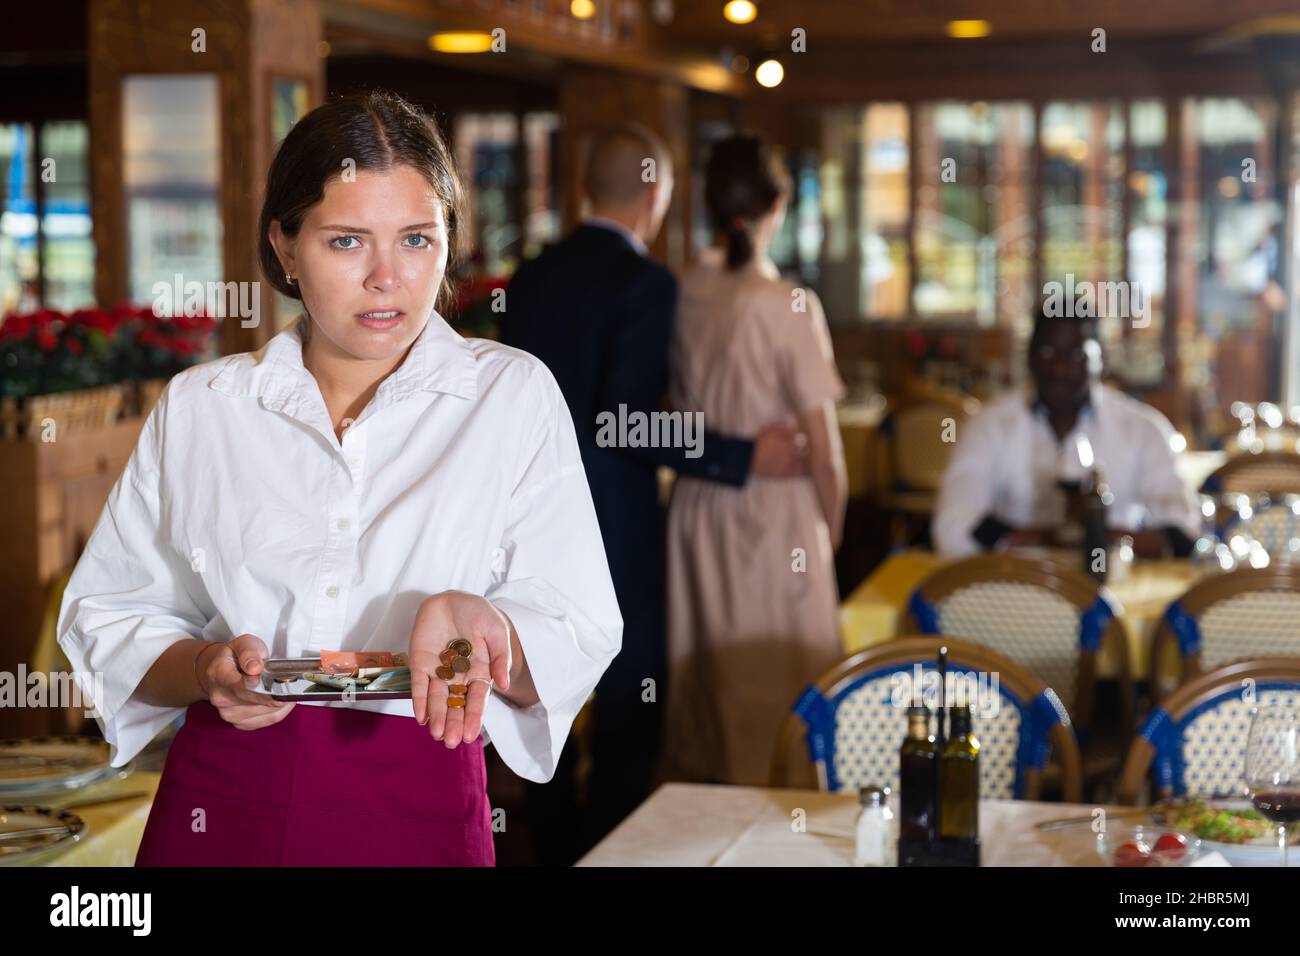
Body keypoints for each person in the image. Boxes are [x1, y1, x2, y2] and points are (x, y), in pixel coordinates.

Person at [55, 92, 622, 866]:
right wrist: (206, 670)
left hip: (421, 797)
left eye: (417, 239)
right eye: (347, 241)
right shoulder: (203, 405)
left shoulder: (510, 396)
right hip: (224, 799)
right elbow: (111, 613)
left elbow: (579, 626)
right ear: (285, 248)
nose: (387, 277)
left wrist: (485, 627)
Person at [500, 123, 808, 861]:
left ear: (585, 189)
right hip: (612, 526)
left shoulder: (530, 275)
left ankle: (551, 846)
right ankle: (608, 850)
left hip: (518, 520)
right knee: (628, 710)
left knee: (536, 695)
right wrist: (742, 454)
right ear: (656, 195)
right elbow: (623, 423)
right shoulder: (647, 284)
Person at [662, 132, 848, 787]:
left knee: (709, 696)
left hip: (696, 510)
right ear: (780, 204)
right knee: (782, 702)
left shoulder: (686, 290)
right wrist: (828, 537)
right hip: (774, 520)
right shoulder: (788, 304)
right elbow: (826, 456)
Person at [932, 308, 1201, 558]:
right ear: (1029, 358)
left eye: (1076, 355)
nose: (1060, 368)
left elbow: (1184, 532)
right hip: (1015, 587)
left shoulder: (1143, 428)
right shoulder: (989, 425)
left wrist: (1096, 539)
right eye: (1048, 353)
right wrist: (1053, 539)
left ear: (1102, 360)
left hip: (1115, 588)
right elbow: (952, 529)